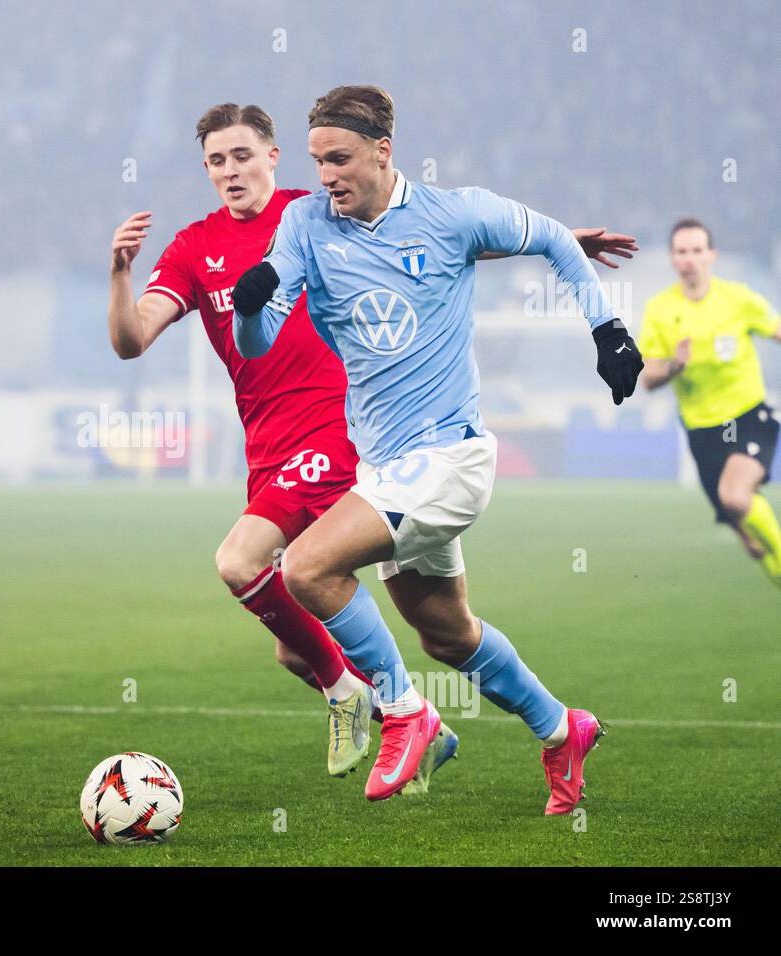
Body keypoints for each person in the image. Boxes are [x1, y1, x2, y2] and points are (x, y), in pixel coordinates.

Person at [111, 100, 636, 790]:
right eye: (319, 161)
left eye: (337, 159)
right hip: (377, 461)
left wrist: (603, 319)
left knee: (296, 568)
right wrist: (239, 306)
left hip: (426, 453)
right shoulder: (302, 226)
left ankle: (400, 711)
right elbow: (241, 338)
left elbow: (510, 236)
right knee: (441, 634)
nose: (325, 175)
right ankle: (562, 729)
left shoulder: (410, 210)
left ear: (380, 151)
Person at [638, 218, 781, 587]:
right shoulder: (659, 310)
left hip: (749, 414)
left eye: (697, 250)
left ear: (712, 256)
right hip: (702, 431)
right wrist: (675, 365)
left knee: (734, 496)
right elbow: (648, 378)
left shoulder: (739, 298)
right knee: (748, 538)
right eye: (682, 252)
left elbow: (776, 329)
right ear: (672, 259)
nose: (690, 259)